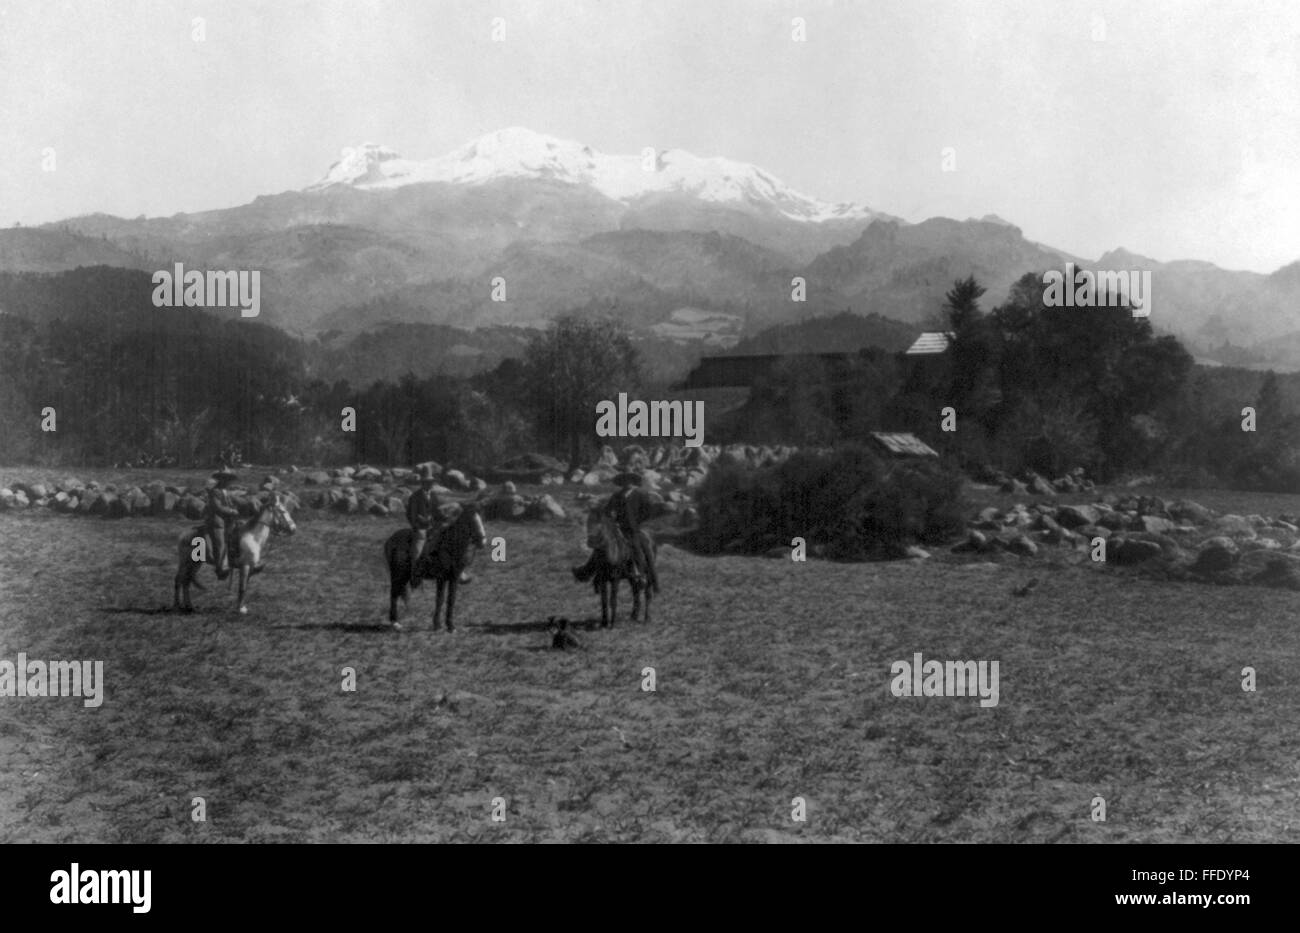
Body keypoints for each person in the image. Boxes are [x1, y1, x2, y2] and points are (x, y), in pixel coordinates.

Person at [572, 471, 655, 589]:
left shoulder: (641, 494)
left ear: (633, 482)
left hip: (634, 528)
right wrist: (610, 518)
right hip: (618, 526)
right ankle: (588, 571)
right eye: (625, 481)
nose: (627, 483)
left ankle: (639, 574)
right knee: (601, 545)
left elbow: (648, 511)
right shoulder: (617, 495)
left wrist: (638, 522)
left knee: (636, 546)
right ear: (622, 483)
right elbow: (608, 510)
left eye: (630, 481)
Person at [406, 465, 471, 587]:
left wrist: (445, 518)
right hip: (421, 529)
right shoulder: (415, 497)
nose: (429, 485)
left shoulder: (434, 496)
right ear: (422, 483)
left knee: (450, 539)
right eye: (426, 482)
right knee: (419, 545)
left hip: (433, 526)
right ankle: (414, 572)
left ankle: (458, 571)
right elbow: (411, 515)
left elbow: (437, 511)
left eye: (430, 482)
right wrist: (419, 523)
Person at [204, 467, 241, 579]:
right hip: (217, 521)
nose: (228, 482)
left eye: (229, 479)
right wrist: (231, 511)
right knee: (221, 543)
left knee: (240, 533)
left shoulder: (227, 492)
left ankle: (236, 559)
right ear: (221, 480)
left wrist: (248, 503)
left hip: (228, 520)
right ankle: (221, 568)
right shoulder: (215, 492)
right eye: (225, 479)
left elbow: (236, 501)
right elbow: (217, 507)